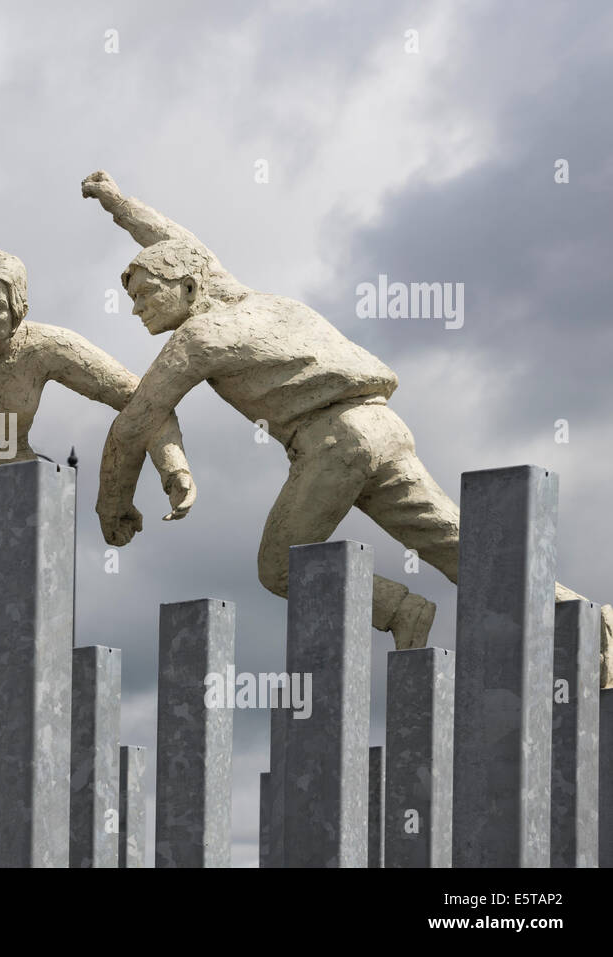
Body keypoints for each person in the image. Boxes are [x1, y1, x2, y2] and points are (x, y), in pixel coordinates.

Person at [84, 169, 611, 655]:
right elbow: (179, 243)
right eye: (132, 298)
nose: (137, 308)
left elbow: (135, 422)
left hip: (334, 442)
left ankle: (401, 610)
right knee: (450, 542)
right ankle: (581, 618)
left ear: (190, 289)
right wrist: (117, 201)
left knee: (281, 567)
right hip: (380, 425)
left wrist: (113, 505)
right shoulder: (240, 296)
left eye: (147, 294)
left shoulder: (201, 336)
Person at [0, 244, 191, 680]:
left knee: (39, 505)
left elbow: (140, 398)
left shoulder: (46, 347)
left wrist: (172, 465)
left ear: (18, 310)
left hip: (10, 465)